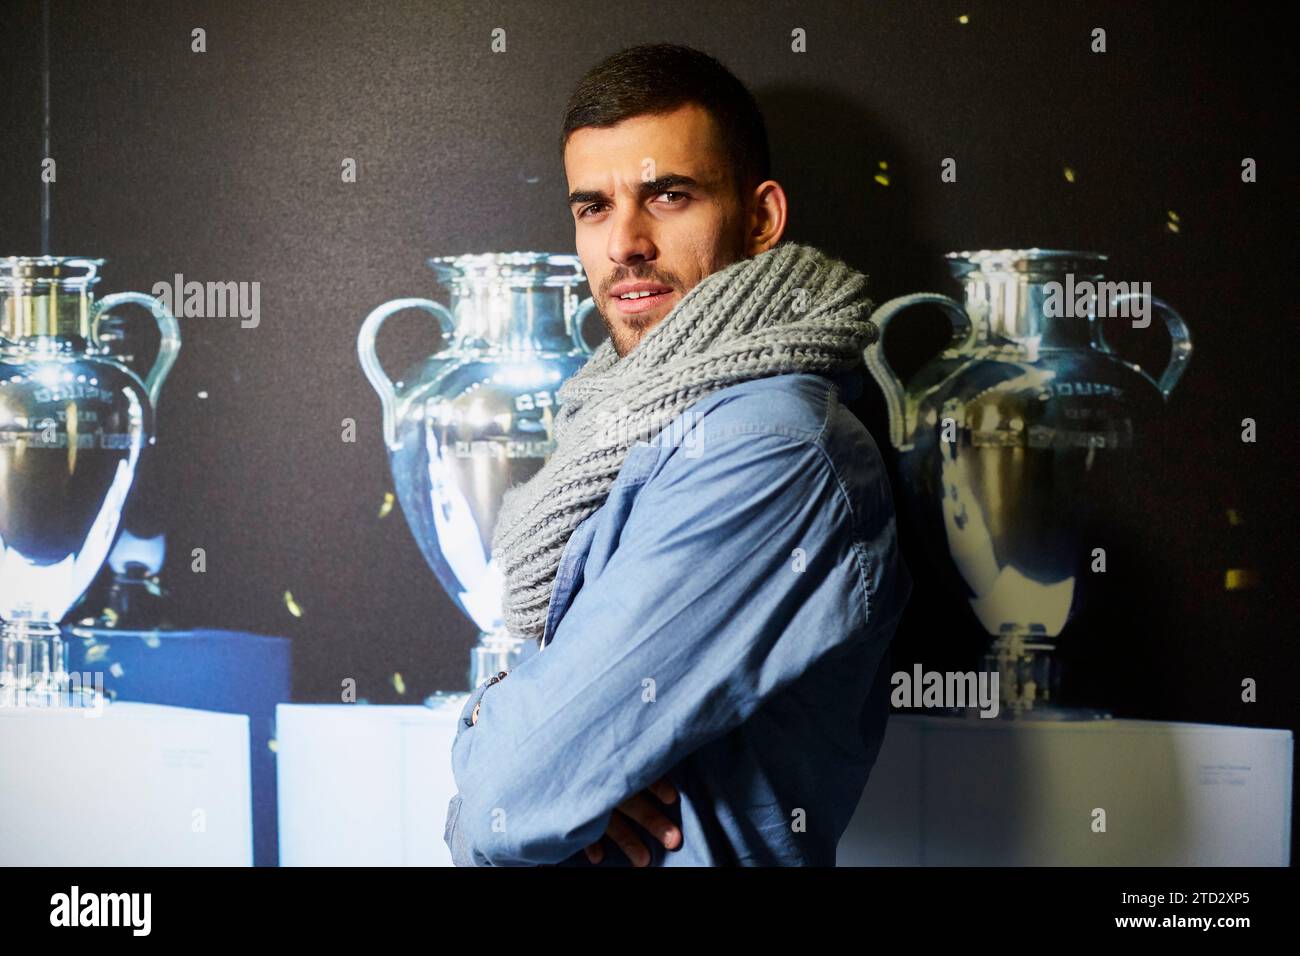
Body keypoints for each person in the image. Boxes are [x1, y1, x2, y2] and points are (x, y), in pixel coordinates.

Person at [443, 42, 911, 866]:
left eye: (667, 196)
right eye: (593, 207)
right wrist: (555, 762)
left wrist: (528, 756)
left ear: (760, 218)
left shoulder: (768, 445)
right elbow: (531, 784)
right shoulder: (615, 420)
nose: (625, 243)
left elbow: (503, 805)